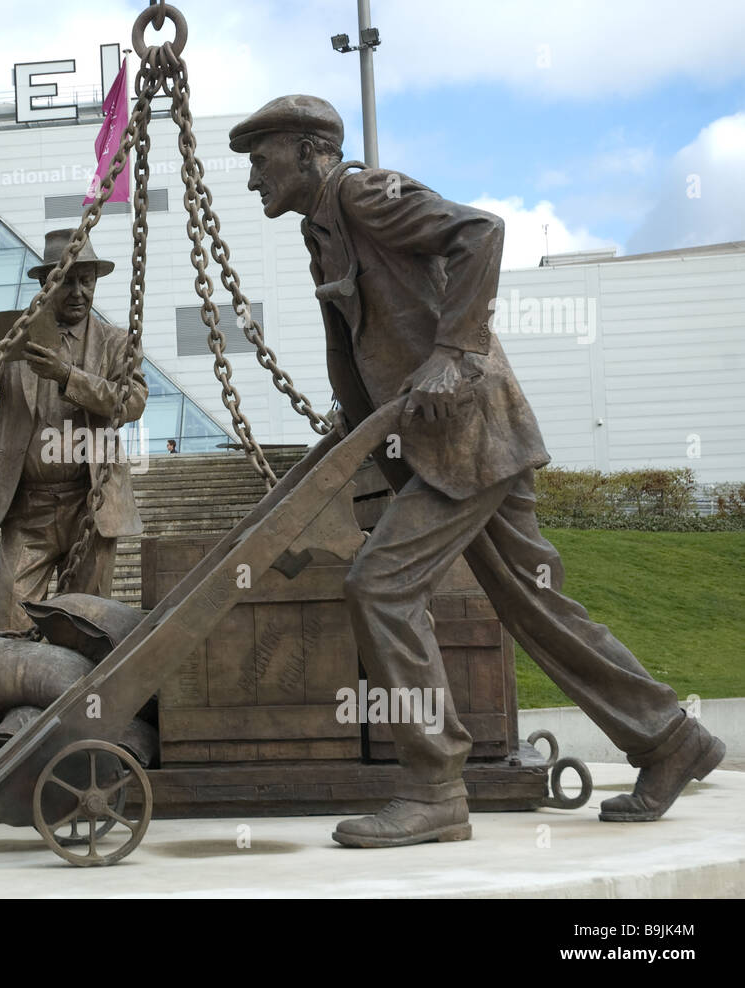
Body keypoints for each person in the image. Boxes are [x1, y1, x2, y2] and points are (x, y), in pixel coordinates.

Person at [230, 95, 725, 848]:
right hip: (448, 441)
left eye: (260, 160)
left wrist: (454, 353)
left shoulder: (363, 195)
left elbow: (480, 233)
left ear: (307, 150)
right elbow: (363, 340)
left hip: (466, 434)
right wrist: (356, 424)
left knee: (380, 586)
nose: (252, 178)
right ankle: (668, 738)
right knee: (537, 605)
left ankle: (433, 788)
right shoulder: (321, 230)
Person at [0, 229, 147, 631]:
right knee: (11, 628)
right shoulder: (11, 333)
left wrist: (67, 376)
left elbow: (132, 402)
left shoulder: (115, 342)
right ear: (46, 284)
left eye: (86, 280)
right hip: (27, 508)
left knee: (87, 631)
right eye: (66, 280)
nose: (77, 291)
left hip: (89, 505)